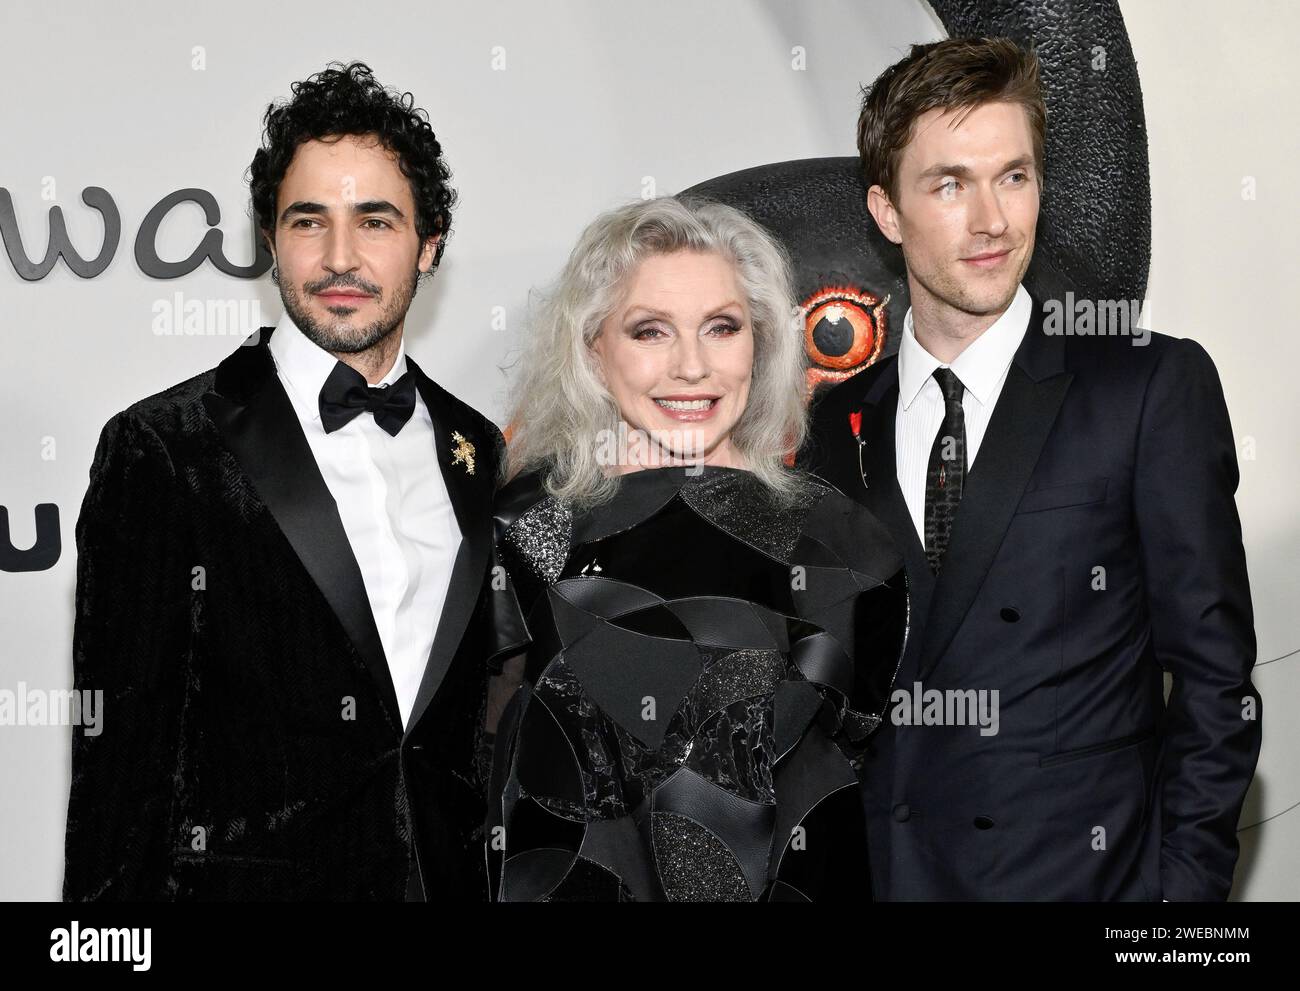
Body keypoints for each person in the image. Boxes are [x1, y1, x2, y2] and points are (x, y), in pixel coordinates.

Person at [800, 37, 1261, 901]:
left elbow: (1216, 685)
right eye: (949, 184)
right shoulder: (836, 422)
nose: (993, 221)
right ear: (886, 211)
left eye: (1013, 176)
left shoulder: (1146, 385)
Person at [63, 62, 503, 900]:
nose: (340, 257)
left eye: (375, 221)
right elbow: (116, 785)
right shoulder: (162, 450)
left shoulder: (476, 447)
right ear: (271, 239)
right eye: (310, 221)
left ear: (429, 243)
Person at [481, 196, 908, 901]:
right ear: (594, 348)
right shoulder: (524, 528)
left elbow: (857, 785)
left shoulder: (841, 543)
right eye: (650, 331)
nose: (691, 367)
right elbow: (488, 773)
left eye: (721, 327)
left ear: (761, 343)